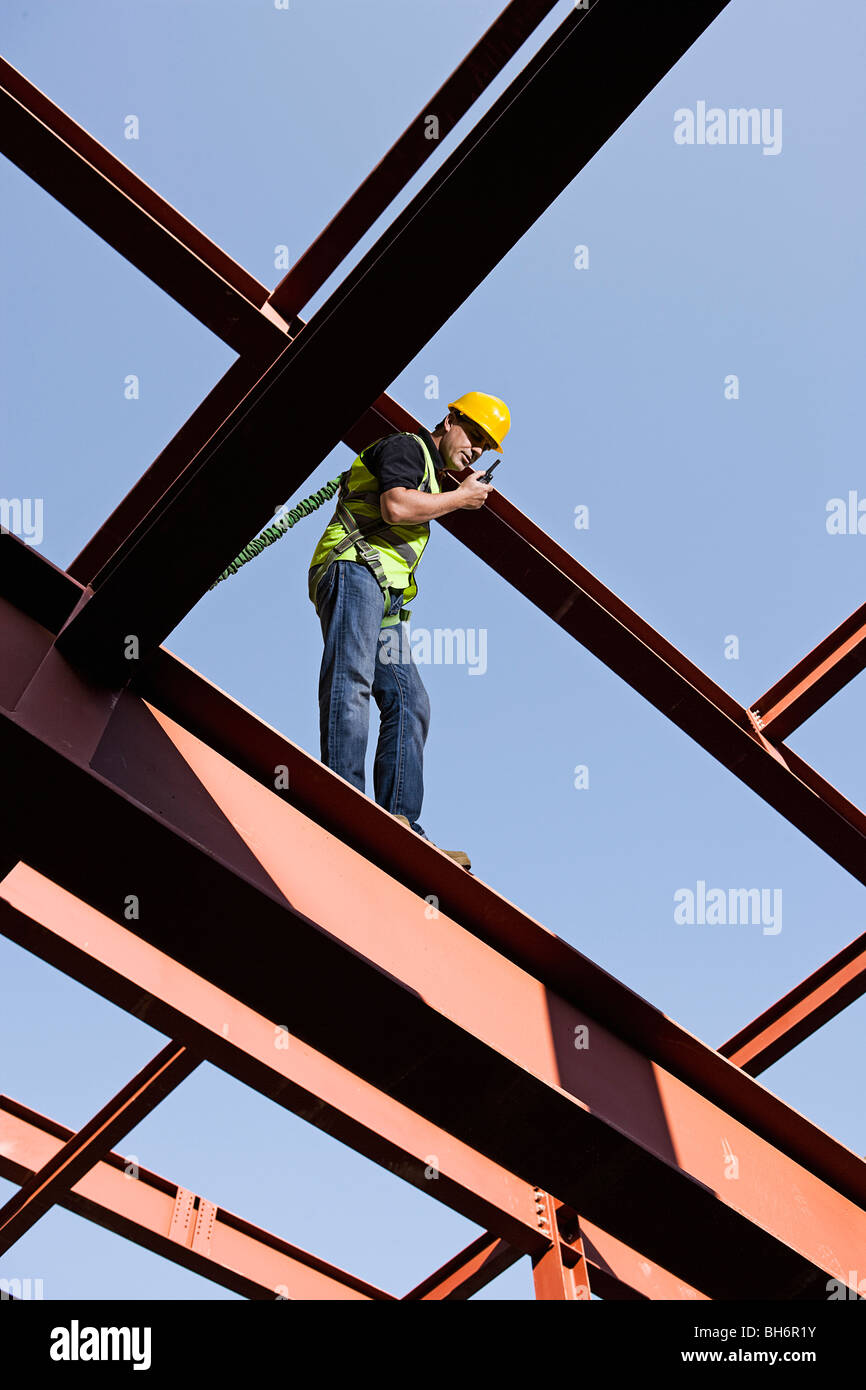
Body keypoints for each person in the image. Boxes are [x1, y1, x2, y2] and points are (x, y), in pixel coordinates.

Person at [308, 392, 510, 866]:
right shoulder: (406, 448)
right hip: (353, 568)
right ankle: (344, 795)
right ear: (448, 420)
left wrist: (450, 495)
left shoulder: (430, 478)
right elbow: (395, 507)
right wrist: (460, 498)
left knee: (411, 701)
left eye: (485, 445)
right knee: (352, 677)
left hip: (385, 601)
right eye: (473, 435)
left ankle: (399, 821)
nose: (476, 449)